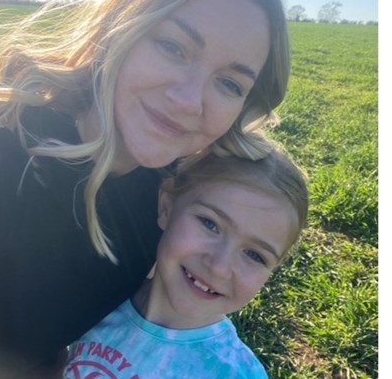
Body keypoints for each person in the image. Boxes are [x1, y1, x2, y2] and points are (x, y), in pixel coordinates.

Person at [0, 0, 291, 375]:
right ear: (120, 25)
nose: (188, 101)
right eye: (173, 47)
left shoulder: (170, 192)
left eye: (229, 84)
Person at [64, 147, 309, 379]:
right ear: (167, 207)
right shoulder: (97, 293)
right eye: (210, 224)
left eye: (255, 255)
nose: (219, 267)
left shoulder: (232, 373)